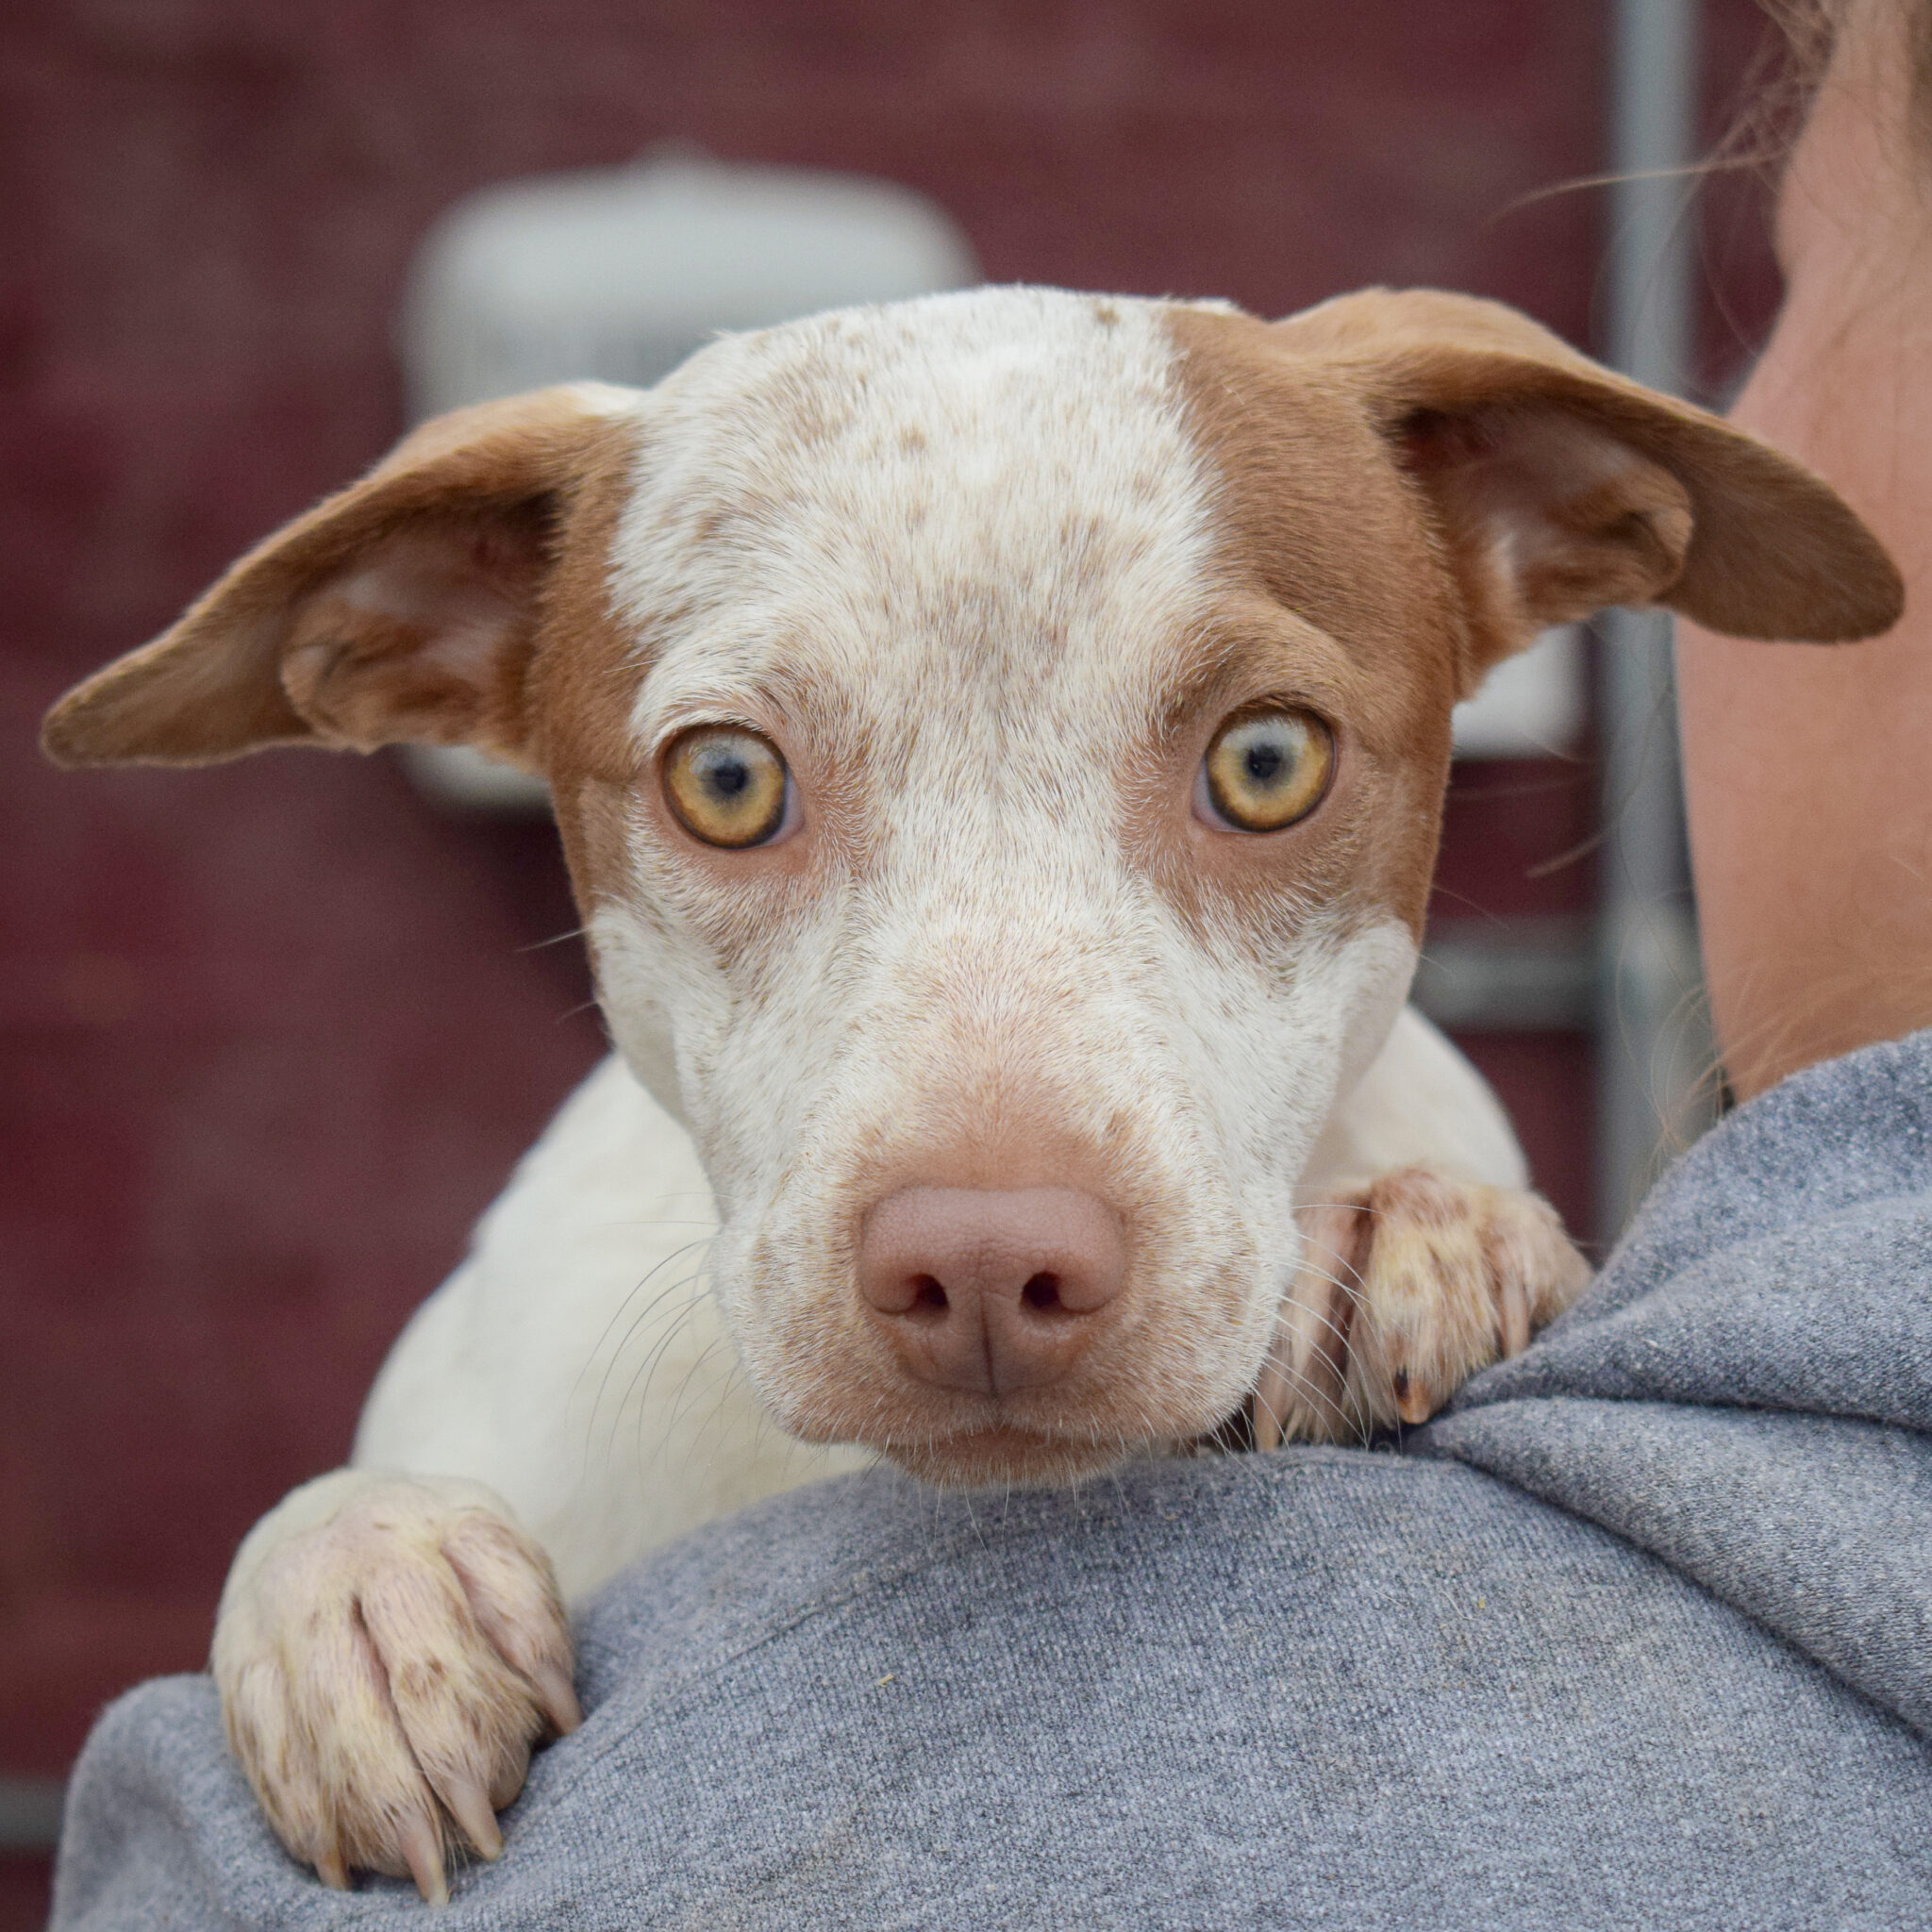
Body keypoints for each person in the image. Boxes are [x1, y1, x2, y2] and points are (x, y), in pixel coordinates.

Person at [47, 3, 1932, 1924]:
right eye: (732, 784)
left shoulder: (1430, 1233)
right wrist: (328, 1550)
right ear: (441, 637)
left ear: (1524, 530)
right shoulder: (521, 1386)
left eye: (1255, 764)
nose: (986, 1218)